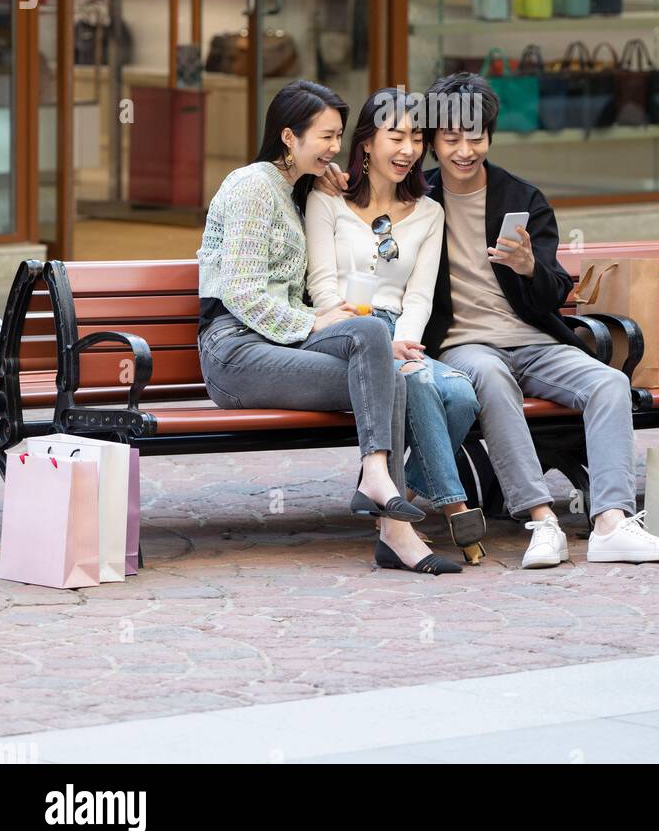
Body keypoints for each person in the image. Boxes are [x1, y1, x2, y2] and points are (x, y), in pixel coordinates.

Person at [321, 73, 659, 570]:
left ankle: (612, 524)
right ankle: (541, 520)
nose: (465, 150)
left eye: (476, 138)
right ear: (435, 142)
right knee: (489, 376)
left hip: (534, 341)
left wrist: (531, 268)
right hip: (465, 346)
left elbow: (556, 291)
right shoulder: (420, 203)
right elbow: (373, 215)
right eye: (450, 140)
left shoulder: (523, 199)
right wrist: (338, 176)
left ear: (490, 136)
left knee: (608, 383)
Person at [196, 79, 462, 576]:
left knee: (375, 343)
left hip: (277, 343)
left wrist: (322, 183)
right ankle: (390, 516)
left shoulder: (293, 187)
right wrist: (314, 319)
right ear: (289, 137)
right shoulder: (252, 186)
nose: (336, 148)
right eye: (325, 136)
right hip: (233, 352)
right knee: (380, 365)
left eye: (340, 136)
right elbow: (242, 291)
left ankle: (382, 495)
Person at [305, 88, 486, 564]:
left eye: (418, 138)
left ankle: (389, 494)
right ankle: (453, 508)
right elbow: (323, 287)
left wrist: (403, 339)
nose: (409, 150)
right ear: (366, 142)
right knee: (420, 383)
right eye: (397, 136)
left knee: (462, 394)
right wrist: (374, 340)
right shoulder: (326, 200)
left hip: (401, 330)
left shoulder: (429, 212)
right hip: (342, 331)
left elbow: (419, 295)